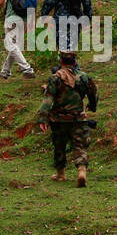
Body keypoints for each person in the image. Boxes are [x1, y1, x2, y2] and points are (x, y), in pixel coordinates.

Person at [35, 49, 97, 186]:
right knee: (79, 145)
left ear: (61, 61)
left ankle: (61, 174)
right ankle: (81, 171)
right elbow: (93, 92)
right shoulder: (84, 77)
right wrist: (92, 106)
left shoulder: (55, 78)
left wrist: (43, 118)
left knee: (59, 145)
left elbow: (48, 100)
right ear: (75, 61)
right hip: (78, 118)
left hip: (59, 119)